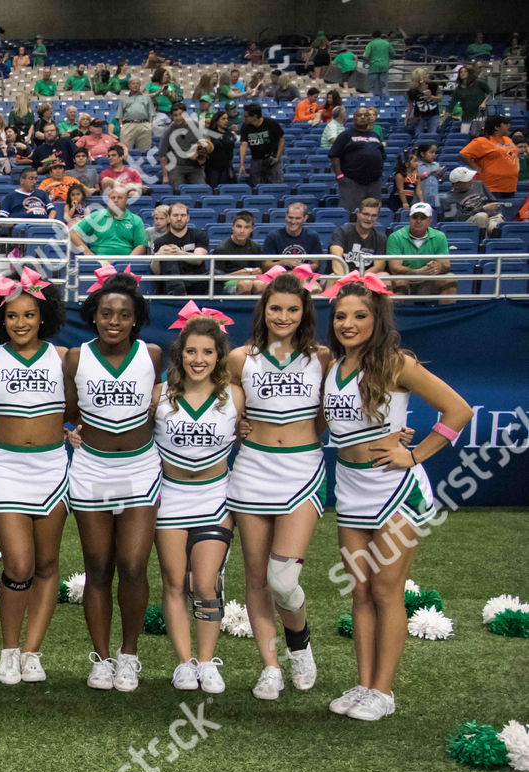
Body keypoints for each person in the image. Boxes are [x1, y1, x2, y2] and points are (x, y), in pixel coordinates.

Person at [322, 272, 469, 721]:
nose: (349, 324)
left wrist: (417, 453)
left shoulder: (395, 363)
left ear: (376, 318)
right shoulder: (331, 363)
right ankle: (364, 684)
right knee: (360, 592)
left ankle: (384, 692)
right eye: (342, 316)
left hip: (395, 489)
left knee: (386, 590)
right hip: (349, 486)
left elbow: (458, 409)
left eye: (360, 316)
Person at [225, 271, 327, 699]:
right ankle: (270, 666)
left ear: (304, 313)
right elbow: (224, 415)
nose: (283, 316)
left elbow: (340, 408)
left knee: (282, 580)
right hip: (252, 471)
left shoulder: (323, 357)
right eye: (275, 308)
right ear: (263, 311)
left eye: (292, 309)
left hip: (302, 469)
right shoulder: (240, 358)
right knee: (254, 577)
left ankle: (299, 643)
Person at [64, 271, 162, 692]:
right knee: (98, 568)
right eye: (106, 313)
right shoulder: (75, 356)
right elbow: (70, 410)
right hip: (93, 471)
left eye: (124, 314)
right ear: (95, 316)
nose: (114, 321)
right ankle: (101, 658)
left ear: (136, 318)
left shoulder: (153, 354)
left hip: (140, 469)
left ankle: (129, 654)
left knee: (135, 565)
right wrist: (71, 431)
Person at [0, 272, 68, 685]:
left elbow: (84, 403)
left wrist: (75, 430)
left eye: (29, 314)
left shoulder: (64, 356)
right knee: (19, 563)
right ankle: (8, 650)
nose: (21, 323)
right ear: (0, 317)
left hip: (52, 467)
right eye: (12, 315)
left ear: (44, 314)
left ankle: (32, 651)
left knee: (47, 564)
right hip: (6, 467)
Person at [154, 311, 242, 694]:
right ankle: (184, 663)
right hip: (170, 497)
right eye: (191, 351)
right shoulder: (160, 395)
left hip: (215, 496)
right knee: (174, 582)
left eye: (207, 351)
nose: (198, 359)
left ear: (219, 356)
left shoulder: (234, 395)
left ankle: (207, 661)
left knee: (205, 584)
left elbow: (271, 426)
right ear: (180, 354)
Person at [385, 203, 457, 298]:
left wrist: (438, 267)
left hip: (429, 279)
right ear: (409, 219)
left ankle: (446, 312)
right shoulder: (395, 237)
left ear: (430, 220)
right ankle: (398, 312)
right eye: (415, 217)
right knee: (399, 282)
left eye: (423, 218)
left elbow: (446, 265)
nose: (418, 221)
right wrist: (418, 272)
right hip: (405, 277)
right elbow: (395, 269)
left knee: (450, 279)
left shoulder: (440, 236)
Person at [68, 184, 148, 259]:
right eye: (113, 198)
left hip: (125, 263)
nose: (116, 200)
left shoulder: (136, 220)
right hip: (99, 263)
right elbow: (73, 232)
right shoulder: (96, 216)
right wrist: (87, 252)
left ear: (126, 201)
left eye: (120, 197)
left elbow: (141, 245)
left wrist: (127, 260)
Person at [329, 107, 386, 212]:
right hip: (352, 182)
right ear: (354, 118)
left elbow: (382, 155)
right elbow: (335, 156)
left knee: (372, 214)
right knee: (351, 214)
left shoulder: (375, 135)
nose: (363, 117)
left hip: (373, 183)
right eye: (359, 115)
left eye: (366, 115)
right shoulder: (345, 135)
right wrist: (340, 176)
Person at [151, 202, 210, 296]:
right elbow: (156, 272)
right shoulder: (160, 242)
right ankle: (179, 292)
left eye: (183, 215)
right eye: (175, 215)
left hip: (196, 281)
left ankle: (179, 292)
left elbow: (199, 259)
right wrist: (157, 256)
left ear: (188, 217)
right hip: (171, 284)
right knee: (167, 256)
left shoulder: (199, 235)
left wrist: (179, 253)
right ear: (169, 218)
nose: (179, 218)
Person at [460, 116, 519, 199]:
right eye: (505, 124)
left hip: (510, 185)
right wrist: (476, 168)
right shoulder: (482, 141)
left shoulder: (508, 139)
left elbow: (511, 154)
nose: (508, 125)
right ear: (496, 127)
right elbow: (463, 154)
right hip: (491, 187)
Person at [439, 166, 506, 237]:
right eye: (467, 180)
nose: (471, 181)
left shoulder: (479, 184)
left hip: (490, 216)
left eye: (470, 178)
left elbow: (492, 201)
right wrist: (483, 209)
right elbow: (457, 219)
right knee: (481, 216)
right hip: (469, 221)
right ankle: (481, 244)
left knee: (494, 226)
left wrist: (495, 207)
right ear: (456, 185)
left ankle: (493, 245)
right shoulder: (447, 199)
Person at [329, 198, 388, 275]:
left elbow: (379, 267)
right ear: (358, 213)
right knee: (334, 276)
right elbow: (337, 259)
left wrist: (360, 279)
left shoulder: (380, 238)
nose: (369, 219)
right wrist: (347, 280)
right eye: (365, 214)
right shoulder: (342, 232)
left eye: (373, 215)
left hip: (365, 277)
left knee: (384, 276)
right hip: (342, 275)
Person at [262, 203, 324, 268]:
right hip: (279, 276)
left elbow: (316, 265)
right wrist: (283, 262)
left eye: (298, 218)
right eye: (290, 217)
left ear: (305, 218)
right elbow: (266, 265)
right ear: (286, 216)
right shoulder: (273, 236)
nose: (293, 221)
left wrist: (301, 267)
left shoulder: (312, 236)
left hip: (304, 276)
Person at [238, 103, 285, 185]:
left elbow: (281, 140)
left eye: (246, 116)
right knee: (256, 185)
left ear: (255, 116)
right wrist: (242, 164)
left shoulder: (271, 123)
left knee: (275, 184)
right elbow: (244, 145)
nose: (244, 118)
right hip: (256, 160)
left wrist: (277, 157)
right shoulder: (245, 127)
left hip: (272, 159)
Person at [113, 87, 155, 153]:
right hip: (127, 125)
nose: (135, 85)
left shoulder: (146, 99)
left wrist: (150, 125)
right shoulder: (124, 100)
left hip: (143, 124)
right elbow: (119, 115)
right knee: (125, 150)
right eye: (133, 84)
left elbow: (151, 113)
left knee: (145, 150)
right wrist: (121, 126)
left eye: (137, 84)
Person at [362, 30, 401, 98]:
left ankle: (373, 101)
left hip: (373, 67)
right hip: (384, 67)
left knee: (372, 87)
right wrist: (387, 58)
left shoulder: (370, 44)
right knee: (384, 86)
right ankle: (386, 103)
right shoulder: (387, 43)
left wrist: (369, 62)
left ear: (372, 36)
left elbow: (365, 56)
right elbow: (393, 53)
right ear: (380, 35)